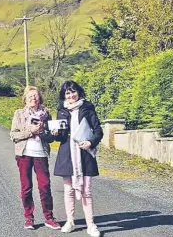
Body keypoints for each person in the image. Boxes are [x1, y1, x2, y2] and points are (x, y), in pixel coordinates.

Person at [50, 81, 103, 237]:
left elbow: (98, 131)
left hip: (84, 153)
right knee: (68, 190)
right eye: (67, 93)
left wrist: (91, 142)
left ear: (79, 92)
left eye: (73, 92)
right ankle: (70, 221)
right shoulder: (61, 110)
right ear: (64, 95)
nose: (71, 95)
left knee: (86, 190)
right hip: (67, 154)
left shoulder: (88, 108)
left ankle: (91, 224)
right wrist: (55, 133)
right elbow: (60, 137)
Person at [9, 86, 61, 230]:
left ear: (40, 98)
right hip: (24, 154)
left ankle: (49, 218)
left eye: (36, 95)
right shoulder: (19, 114)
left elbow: (50, 138)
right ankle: (29, 218)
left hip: (41, 154)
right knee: (26, 187)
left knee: (45, 186)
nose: (33, 98)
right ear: (25, 99)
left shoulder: (46, 114)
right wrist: (30, 132)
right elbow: (13, 135)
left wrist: (53, 133)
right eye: (30, 96)